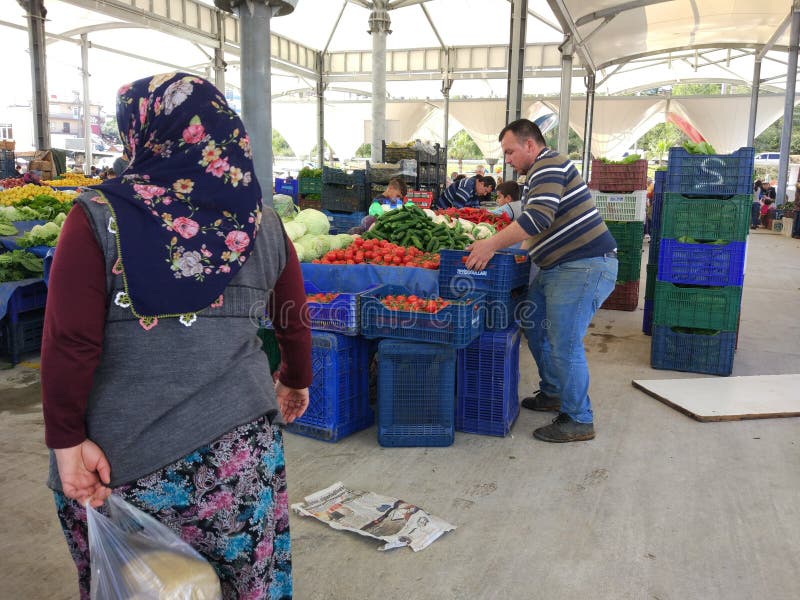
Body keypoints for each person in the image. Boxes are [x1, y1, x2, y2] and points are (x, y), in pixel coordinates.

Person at [42, 72, 311, 599]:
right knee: (243, 583)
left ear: (140, 132)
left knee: (138, 586)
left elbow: (69, 342)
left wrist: (66, 441)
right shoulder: (264, 223)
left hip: (120, 460)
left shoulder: (99, 216)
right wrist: (295, 380)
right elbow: (292, 319)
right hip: (237, 455)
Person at [465, 118, 618, 443]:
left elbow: (537, 219)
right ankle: (553, 392)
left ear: (529, 145)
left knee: (565, 343)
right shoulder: (537, 175)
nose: (507, 159)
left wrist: (490, 244)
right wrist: (516, 254)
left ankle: (579, 419)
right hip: (556, 268)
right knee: (532, 323)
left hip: (583, 267)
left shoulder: (549, 164)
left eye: (510, 151)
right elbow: (538, 229)